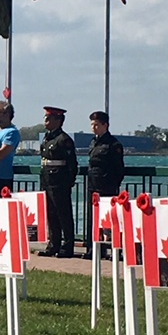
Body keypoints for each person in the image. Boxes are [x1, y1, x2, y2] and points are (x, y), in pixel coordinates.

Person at [83, 110, 125, 259]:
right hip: (93, 186)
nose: (93, 128)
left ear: (105, 125)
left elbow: (119, 169)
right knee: (92, 219)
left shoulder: (113, 144)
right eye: (92, 125)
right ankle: (94, 249)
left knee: (110, 220)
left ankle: (115, 249)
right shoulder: (94, 142)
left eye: (96, 125)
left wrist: (112, 184)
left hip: (107, 187)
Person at [38, 106, 77, 258]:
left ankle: (67, 247)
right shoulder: (47, 138)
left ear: (58, 120)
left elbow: (71, 165)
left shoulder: (64, 140)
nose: (45, 121)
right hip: (47, 180)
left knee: (64, 215)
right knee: (51, 214)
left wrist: (68, 182)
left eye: (48, 118)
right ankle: (53, 245)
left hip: (59, 182)